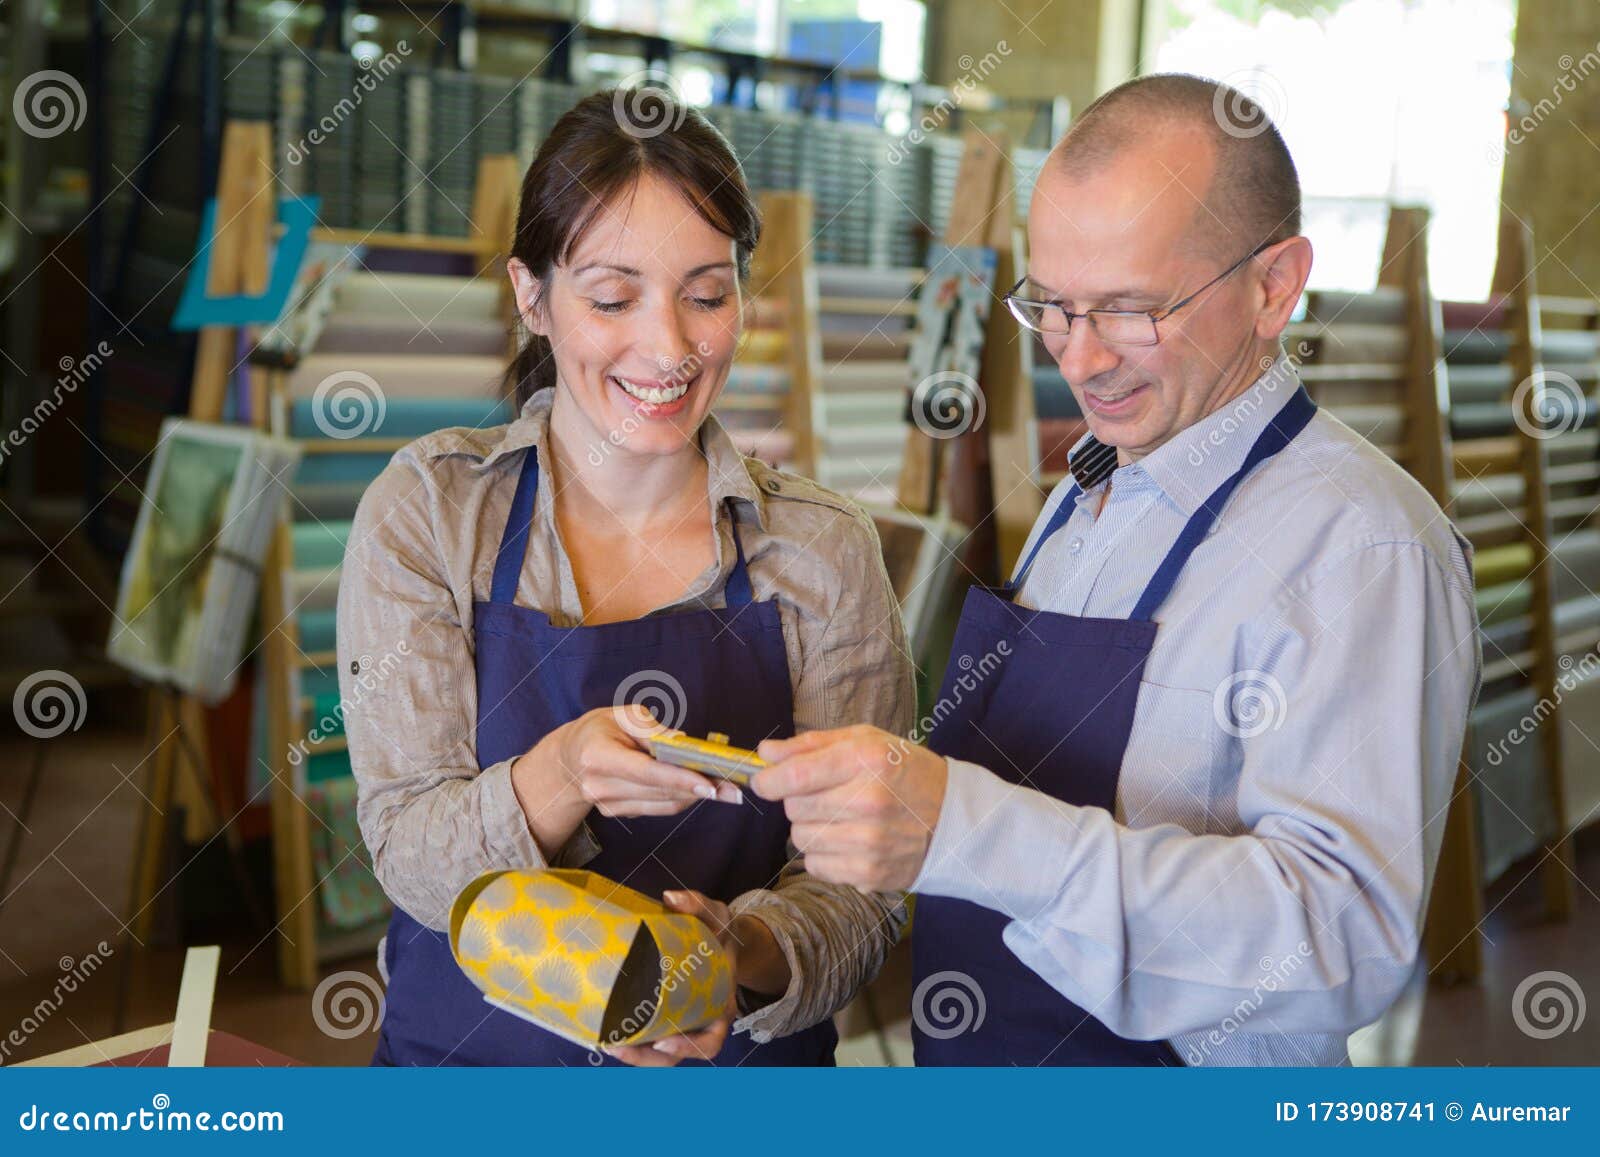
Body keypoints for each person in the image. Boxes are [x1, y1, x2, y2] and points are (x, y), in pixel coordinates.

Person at [754, 73, 1481, 1067]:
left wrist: (965, 827)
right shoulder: (1083, 493)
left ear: (1275, 285)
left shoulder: (1361, 547)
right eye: (1051, 306)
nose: (1080, 360)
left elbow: (1341, 942)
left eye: (1133, 310)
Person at [337, 89, 914, 1066]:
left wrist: (741, 956)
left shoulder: (824, 548)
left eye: (707, 291)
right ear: (531, 293)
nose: (671, 347)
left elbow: (866, 878)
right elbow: (408, 845)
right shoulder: (432, 513)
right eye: (612, 297)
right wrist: (556, 776)